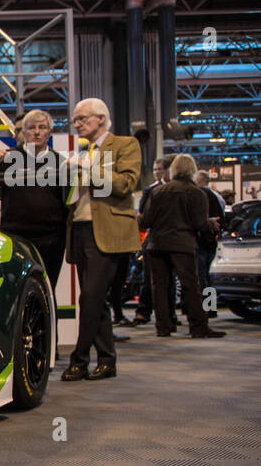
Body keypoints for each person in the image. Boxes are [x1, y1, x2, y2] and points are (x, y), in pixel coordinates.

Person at [60, 97, 141, 382]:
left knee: (90, 297)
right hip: (80, 230)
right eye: (75, 120)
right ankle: (107, 360)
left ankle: (79, 359)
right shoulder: (81, 150)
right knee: (96, 300)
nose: (77, 124)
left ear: (101, 119)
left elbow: (126, 184)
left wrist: (86, 169)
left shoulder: (125, 144)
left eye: (82, 119)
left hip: (108, 231)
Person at [0, 109, 69, 292]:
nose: (36, 132)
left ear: (49, 132)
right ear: (23, 132)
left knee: (47, 290)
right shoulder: (7, 158)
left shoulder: (61, 162)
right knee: (14, 290)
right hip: (16, 237)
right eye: (31, 128)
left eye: (42, 127)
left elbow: (67, 203)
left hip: (51, 240)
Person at [140, 155, 225, 339]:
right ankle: (198, 327)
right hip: (182, 244)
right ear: (192, 170)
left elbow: (146, 220)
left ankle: (163, 327)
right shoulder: (197, 193)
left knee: (159, 286)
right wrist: (210, 223)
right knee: (190, 286)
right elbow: (199, 224)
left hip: (157, 244)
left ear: (174, 169)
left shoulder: (158, 192)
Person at [132, 156, 171, 325]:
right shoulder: (150, 190)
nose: (156, 173)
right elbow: (142, 215)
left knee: (167, 282)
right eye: (155, 169)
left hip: (166, 240)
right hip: (153, 238)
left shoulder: (170, 189)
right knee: (150, 279)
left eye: (159, 169)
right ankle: (144, 311)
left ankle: (168, 317)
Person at [194, 170, 227, 313]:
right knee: (209, 275)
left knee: (202, 276)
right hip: (213, 241)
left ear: (199, 181)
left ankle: (206, 308)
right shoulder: (218, 197)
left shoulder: (200, 195)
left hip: (201, 240)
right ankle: (211, 308)